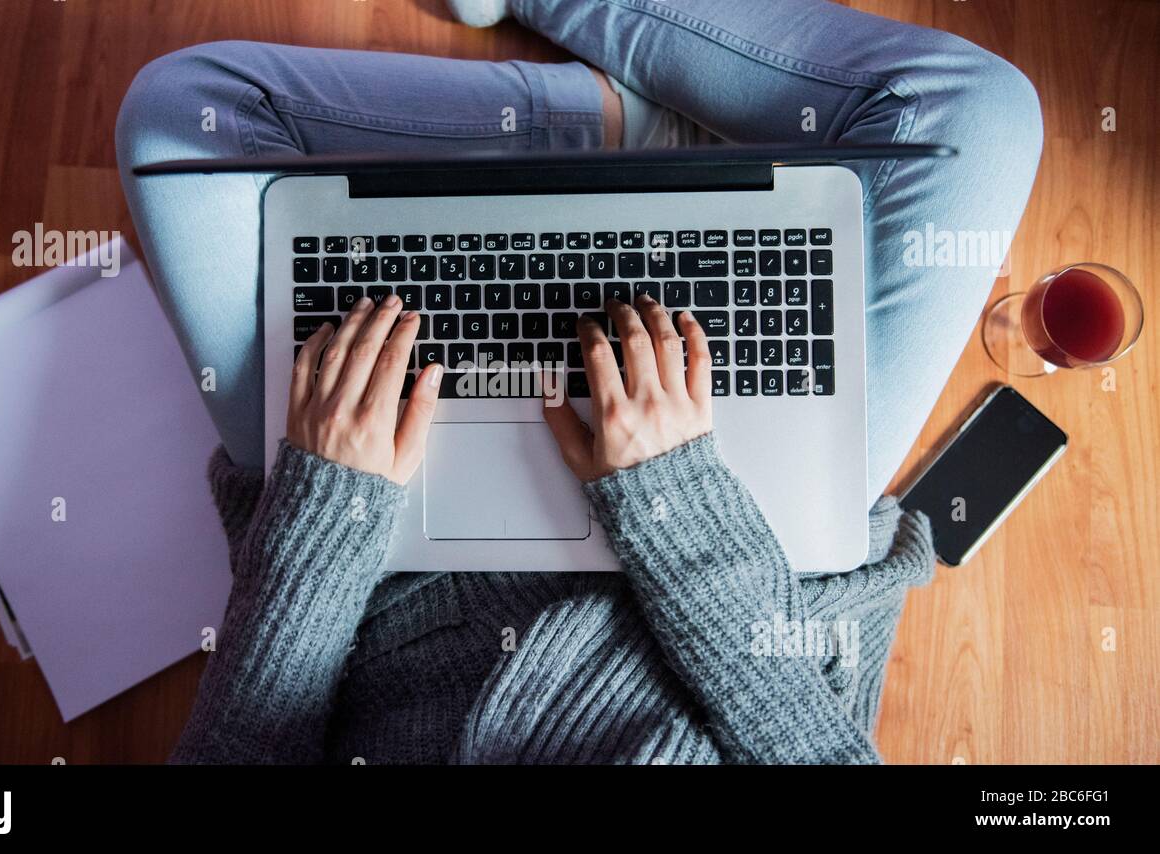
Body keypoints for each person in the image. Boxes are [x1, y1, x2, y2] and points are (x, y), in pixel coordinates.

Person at [114, 0, 1042, 764]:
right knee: (975, 115)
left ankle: (604, 134)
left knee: (182, 114)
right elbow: (805, 736)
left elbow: (245, 745)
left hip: (385, 577)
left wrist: (330, 509)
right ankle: (640, 142)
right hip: (750, 545)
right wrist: (677, 499)